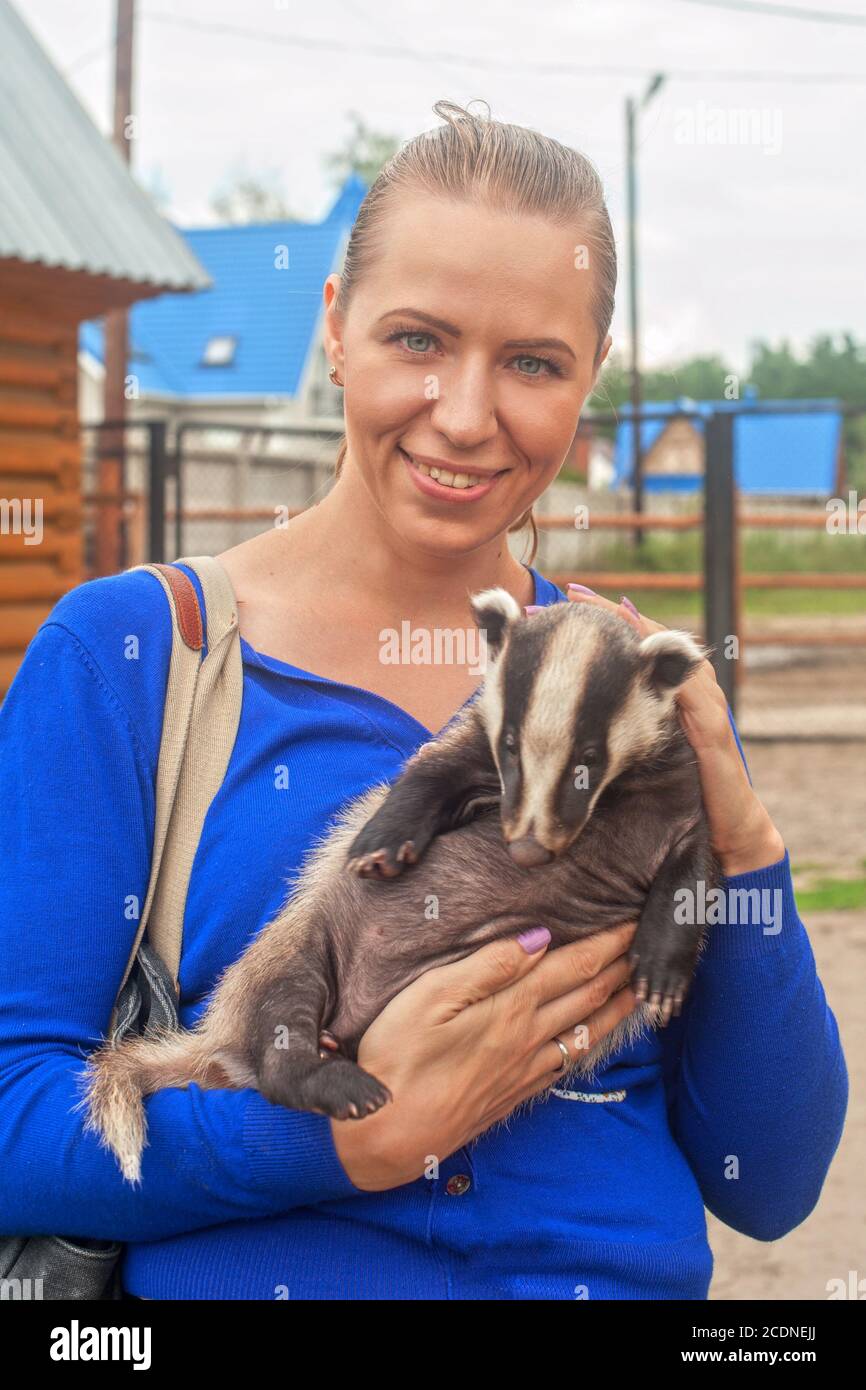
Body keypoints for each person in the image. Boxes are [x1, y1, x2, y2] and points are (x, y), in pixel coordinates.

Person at [0, 100, 847, 1300]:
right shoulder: (135, 659)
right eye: (416, 339)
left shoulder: (630, 691)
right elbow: (10, 1121)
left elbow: (770, 1175)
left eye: (532, 363)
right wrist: (345, 1139)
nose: (463, 413)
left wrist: (745, 843)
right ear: (335, 328)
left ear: (588, 380)